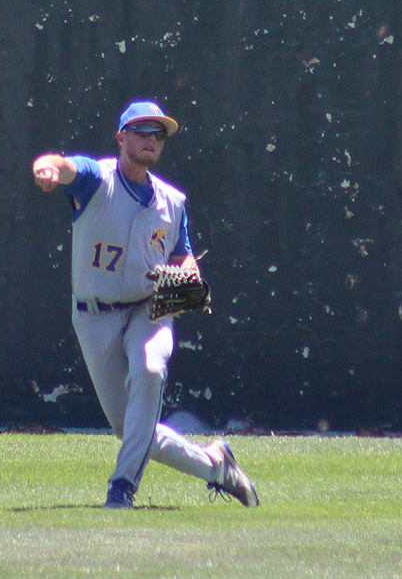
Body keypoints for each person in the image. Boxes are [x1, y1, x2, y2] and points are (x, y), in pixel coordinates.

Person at [31, 100, 258, 509]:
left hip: (147, 309)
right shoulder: (96, 179)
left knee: (150, 369)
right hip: (94, 316)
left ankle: (121, 488)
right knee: (130, 428)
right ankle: (215, 466)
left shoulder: (172, 202)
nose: (152, 139)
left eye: (159, 134)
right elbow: (61, 165)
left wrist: (187, 275)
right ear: (122, 138)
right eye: (142, 131)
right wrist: (45, 168)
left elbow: (183, 256)